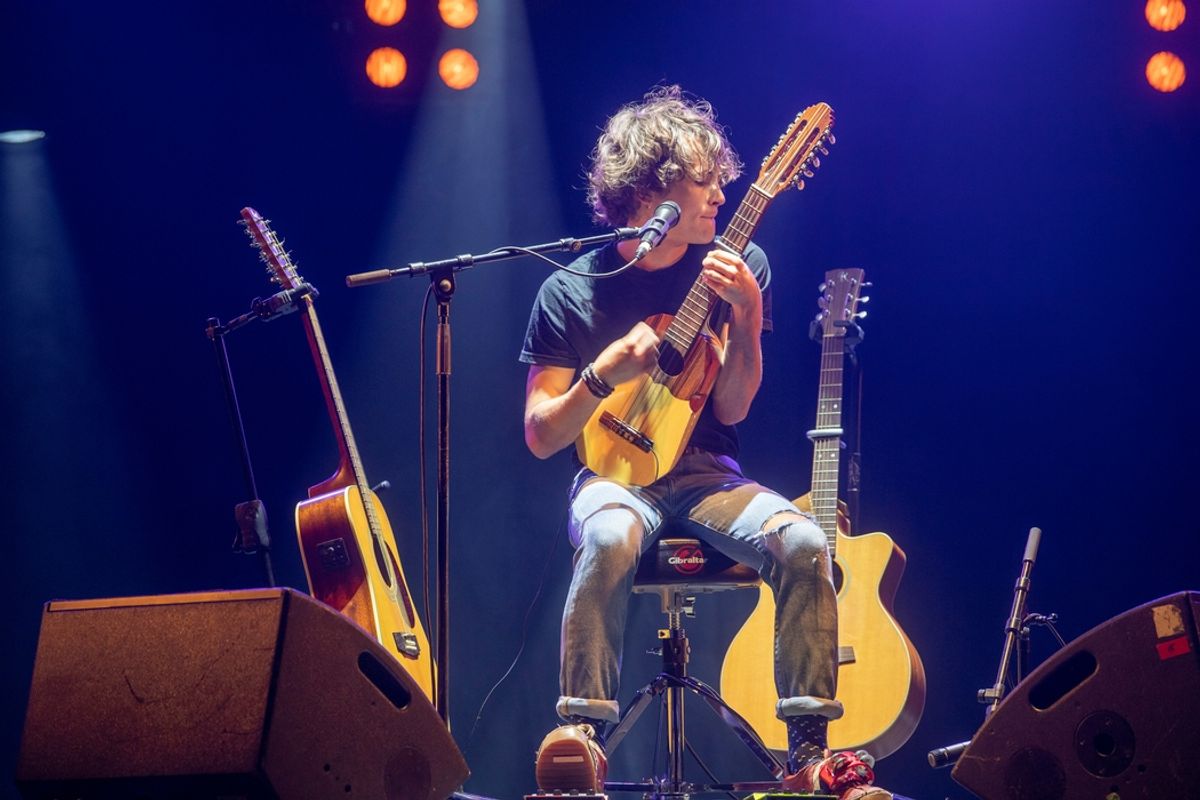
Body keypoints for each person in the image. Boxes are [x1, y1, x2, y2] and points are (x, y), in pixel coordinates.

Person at [519, 86, 888, 800]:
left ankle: (809, 752)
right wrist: (602, 375)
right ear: (653, 191)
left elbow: (734, 403)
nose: (721, 191)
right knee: (611, 537)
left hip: (706, 475)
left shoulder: (740, 262)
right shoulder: (569, 291)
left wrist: (748, 313)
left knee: (808, 544)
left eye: (722, 177)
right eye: (702, 178)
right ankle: (583, 742)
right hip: (612, 474)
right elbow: (540, 436)